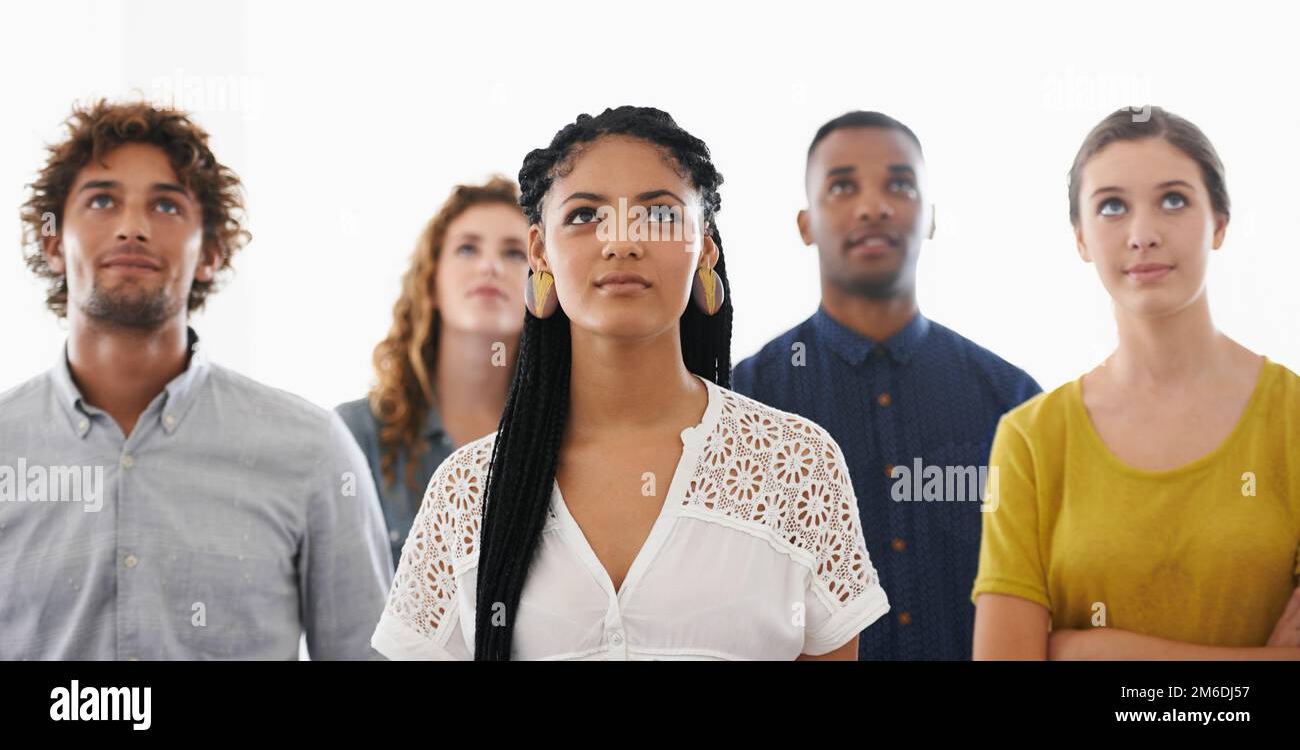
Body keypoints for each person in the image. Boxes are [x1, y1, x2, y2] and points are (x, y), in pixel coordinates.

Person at [371, 106, 890, 660]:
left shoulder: (799, 466)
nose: (621, 242)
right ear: (540, 252)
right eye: (585, 215)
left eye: (659, 215)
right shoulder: (465, 491)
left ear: (705, 248)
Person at [0, 99, 392, 659]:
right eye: (102, 200)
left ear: (209, 252)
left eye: (165, 205)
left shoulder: (310, 449)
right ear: (51, 242)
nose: (132, 227)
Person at [972, 105, 1300, 660]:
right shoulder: (1030, 439)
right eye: (1112, 207)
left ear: (1219, 222)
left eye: (1174, 200)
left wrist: (1084, 652)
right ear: (1080, 238)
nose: (1142, 234)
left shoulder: (1292, 417)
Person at [732, 110, 1042, 660]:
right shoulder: (742, 403)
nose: (873, 206)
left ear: (930, 217)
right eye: (843, 186)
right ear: (805, 225)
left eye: (899, 184)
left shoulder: (1013, 404)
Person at [336, 177, 528, 567]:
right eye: (467, 248)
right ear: (431, 284)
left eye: (513, 254)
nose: (490, 266)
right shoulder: (354, 435)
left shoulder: (566, 440)